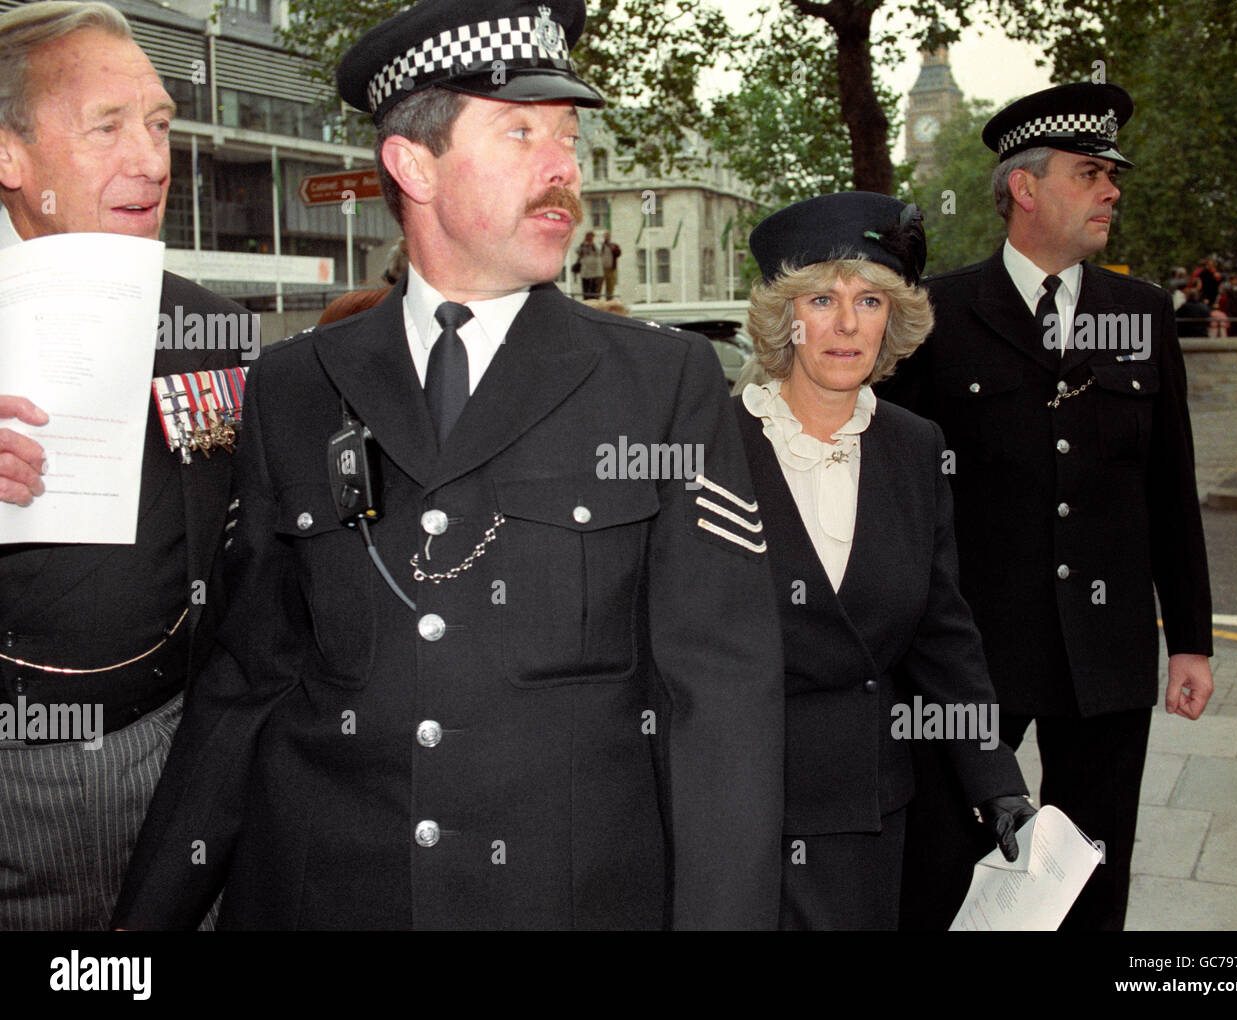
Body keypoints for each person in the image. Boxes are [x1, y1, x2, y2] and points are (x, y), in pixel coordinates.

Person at [112, 0, 784, 931]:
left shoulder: (661, 384)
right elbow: (249, 679)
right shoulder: (296, 385)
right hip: (327, 895)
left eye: (568, 137)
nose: (564, 171)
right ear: (413, 164)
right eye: (520, 133)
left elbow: (722, 701)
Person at [879, 82, 1214, 931]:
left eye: (1113, 176)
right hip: (974, 652)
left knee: (1095, 874)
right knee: (944, 861)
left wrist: (1193, 642)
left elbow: (1170, 487)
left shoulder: (1141, 314)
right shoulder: (941, 316)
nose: (1112, 190)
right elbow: (897, 489)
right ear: (1024, 188)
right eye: (1090, 173)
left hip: (1105, 652)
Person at [0, 1, 247, 929]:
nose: (151, 160)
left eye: (158, 125)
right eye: (107, 127)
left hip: (185, 768)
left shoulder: (213, 331)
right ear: (8, 155)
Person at [736, 192, 1033, 930]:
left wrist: (997, 783)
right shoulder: (715, 442)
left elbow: (943, 634)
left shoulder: (915, 445)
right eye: (821, 298)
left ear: (892, 320)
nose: (846, 324)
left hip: (866, 809)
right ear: (786, 316)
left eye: (869, 300)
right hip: (735, 803)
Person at [317, 237, 409, 325]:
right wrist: (402, 280)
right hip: (394, 277)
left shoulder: (410, 252)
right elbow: (392, 269)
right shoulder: (395, 252)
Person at [575, 229, 601, 299]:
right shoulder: (583, 245)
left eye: (591, 237)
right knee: (585, 289)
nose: (589, 238)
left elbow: (599, 252)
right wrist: (583, 243)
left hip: (594, 272)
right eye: (588, 237)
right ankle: (586, 302)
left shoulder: (595, 246)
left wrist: (592, 245)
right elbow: (577, 251)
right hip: (585, 271)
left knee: (593, 290)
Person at [600, 230, 621, 299]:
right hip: (601, 269)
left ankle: (609, 299)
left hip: (610, 268)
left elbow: (618, 254)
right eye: (606, 236)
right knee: (599, 285)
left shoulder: (613, 245)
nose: (607, 238)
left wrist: (613, 249)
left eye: (608, 236)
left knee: (610, 285)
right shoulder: (601, 246)